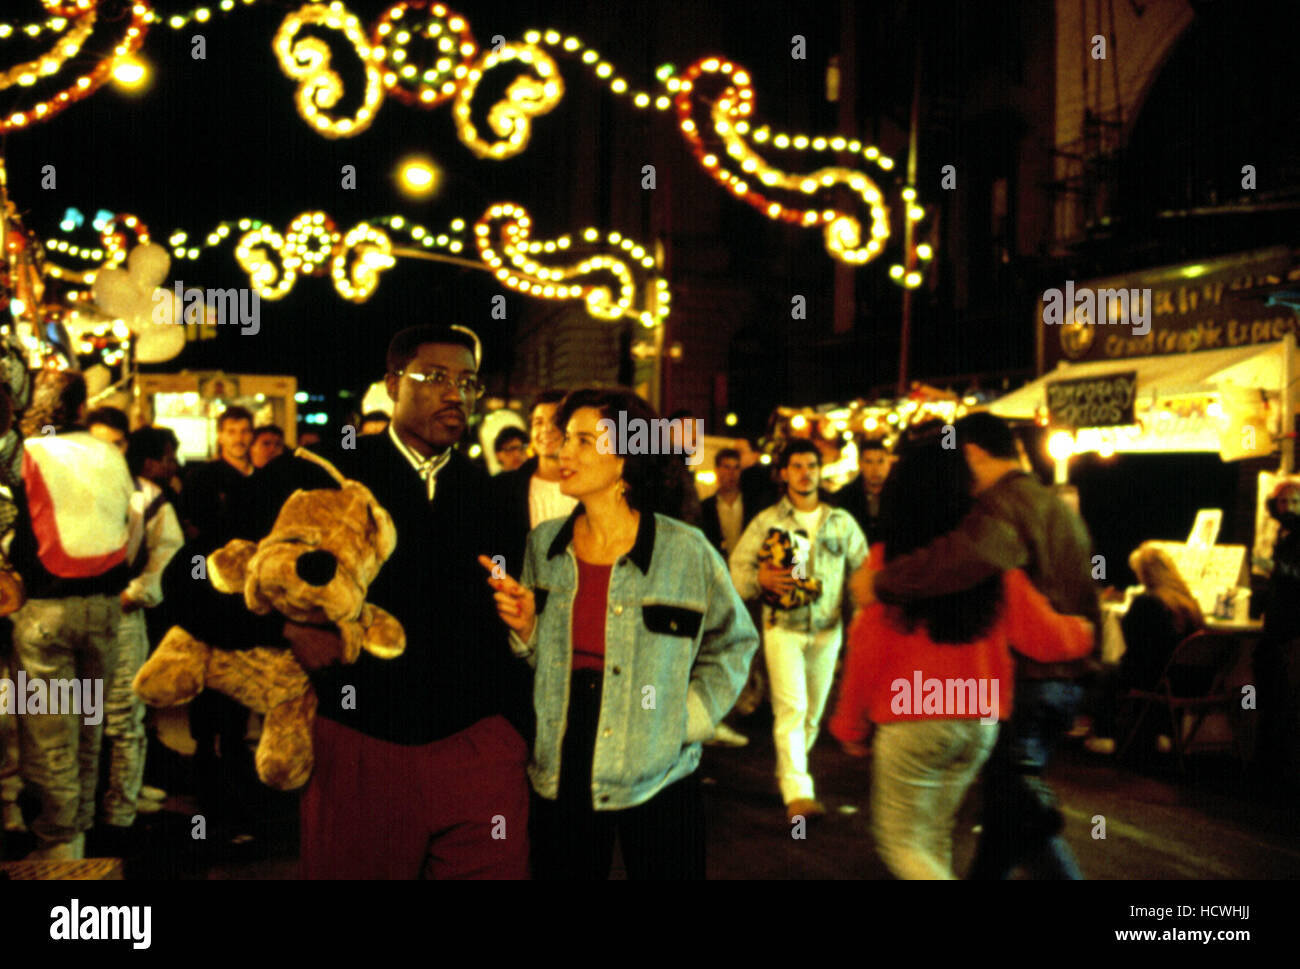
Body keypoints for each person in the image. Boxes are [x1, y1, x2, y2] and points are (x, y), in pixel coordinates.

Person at [286, 324, 532, 879]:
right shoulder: (327, 474)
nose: (456, 395)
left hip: (479, 748)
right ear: (393, 384)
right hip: (361, 742)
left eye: (469, 383)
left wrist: (510, 730)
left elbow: (519, 608)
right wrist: (288, 630)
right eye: (437, 378)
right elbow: (208, 575)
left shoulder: (491, 495)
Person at [481, 388, 758, 879]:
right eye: (566, 438)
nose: (564, 451)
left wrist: (689, 718)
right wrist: (527, 630)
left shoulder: (685, 551)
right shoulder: (543, 545)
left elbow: (734, 641)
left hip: (659, 764)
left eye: (585, 440)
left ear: (628, 453)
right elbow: (539, 662)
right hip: (561, 756)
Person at [829, 422, 1094, 879]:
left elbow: (866, 649)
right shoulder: (1003, 553)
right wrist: (1086, 635)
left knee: (904, 843)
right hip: (981, 717)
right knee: (941, 835)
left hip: (916, 714)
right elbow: (1038, 631)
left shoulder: (897, 564)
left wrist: (849, 724)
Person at [8, 371, 133, 859]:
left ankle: (57, 850)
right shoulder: (108, 454)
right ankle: (78, 844)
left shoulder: (26, 454)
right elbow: (131, 524)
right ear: (82, 407)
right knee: (88, 730)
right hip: (103, 612)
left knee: (46, 740)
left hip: (44, 612)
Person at [730, 438, 868, 821]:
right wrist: (759, 578)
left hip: (828, 630)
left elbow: (864, 573)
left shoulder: (842, 522)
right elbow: (736, 572)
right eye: (797, 466)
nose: (805, 473)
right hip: (782, 628)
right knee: (792, 709)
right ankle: (798, 793)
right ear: (784, 473)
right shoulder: (768, 521)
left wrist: (861, 622)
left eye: (811, 465)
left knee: (811, 716)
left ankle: (789, 773)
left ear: (820, 472)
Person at [86, 407, 184, 841]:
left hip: (123, 614)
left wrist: (136, 593)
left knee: (125, 717)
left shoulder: (146, 495)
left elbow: (168, 552)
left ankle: (120, 817)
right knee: (73, 714)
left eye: (117, 443)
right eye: (98, 440)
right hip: (75, 611)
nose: (108, 450)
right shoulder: (66, 487)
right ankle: (75, 815)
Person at [700, 447, 760, 747]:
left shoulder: (754, 506)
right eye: (725, 467)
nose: (730, 473)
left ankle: (747, 703)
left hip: (748, 585)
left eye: (735, 467)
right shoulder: (704, 507)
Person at [490, 390, 578, 579]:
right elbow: (495, 550)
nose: (547, 429)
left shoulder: (591, 486)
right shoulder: (504, 489)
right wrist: (501, 583)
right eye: (538, 422)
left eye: (556, 421)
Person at [1254, 481, 1300, 789]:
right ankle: (1267, 766)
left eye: (1294, 501)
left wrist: (1276, 568)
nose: (1289, 508)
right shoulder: (1283, 536)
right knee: (1270, 701)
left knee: (1283, 702)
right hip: (1276, 628)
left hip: (1290, 632)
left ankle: (1276, 772)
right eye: (1283, 502)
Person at [833, 436, 893, 541]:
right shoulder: (845, 498)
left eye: (880, 461)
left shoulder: (903, 495)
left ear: (889, 464)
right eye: (869, 462)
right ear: (860, 464)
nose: (875, 469)